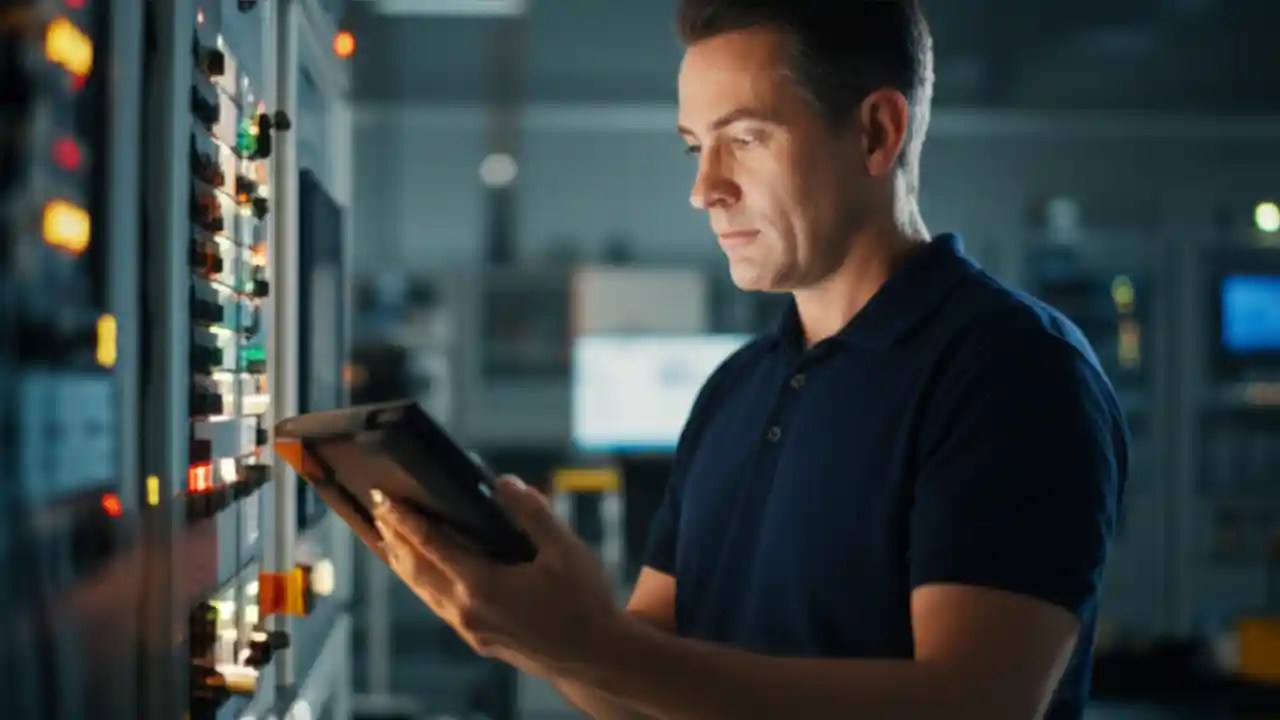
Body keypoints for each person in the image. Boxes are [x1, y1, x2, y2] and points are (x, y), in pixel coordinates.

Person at [370, 1, 1128, 718]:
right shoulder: (735, 390)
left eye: (747, 138)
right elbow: (638, 690)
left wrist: (587, 641)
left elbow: (972, 707)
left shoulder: (1013, 371)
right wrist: (531, 628)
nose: (705, 190)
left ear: (875, 132)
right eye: (697, 147)